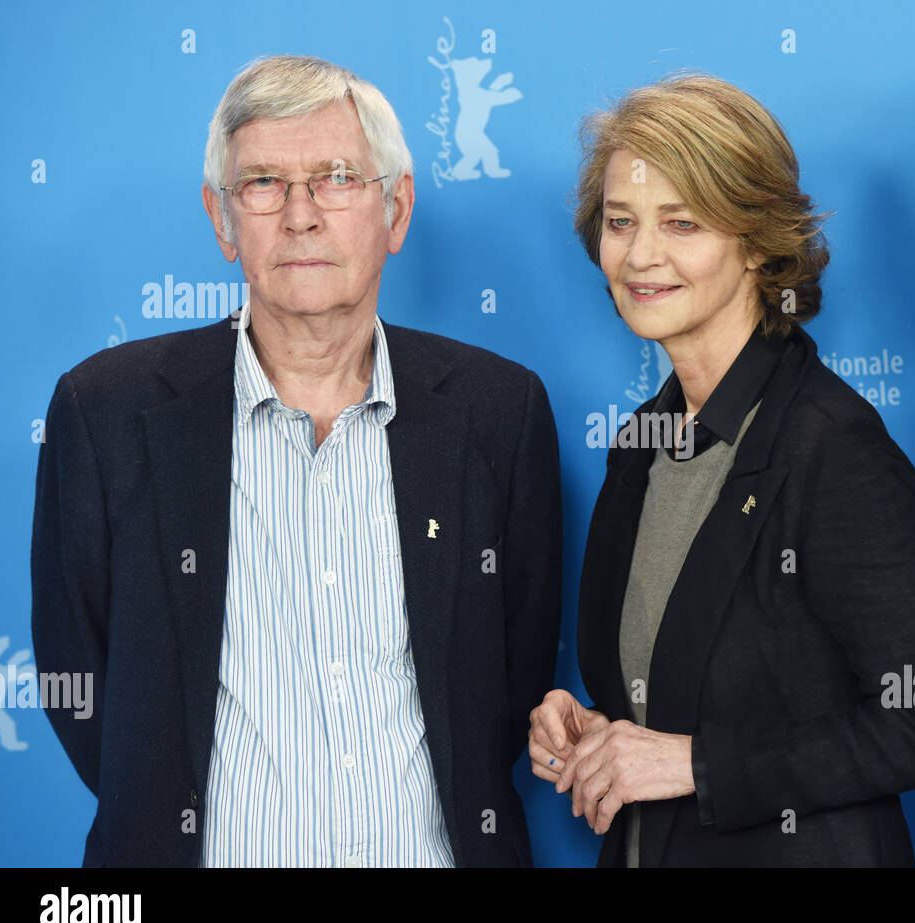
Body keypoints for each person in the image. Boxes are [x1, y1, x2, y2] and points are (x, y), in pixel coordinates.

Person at [30, 55, 561, 867]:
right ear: (221, 219)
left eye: (338, 177)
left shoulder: (500, 410)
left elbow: (510, 669)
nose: (301, 215)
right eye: (264, 184)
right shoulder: (104, 411)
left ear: (397, 209)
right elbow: (83, 684)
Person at [529, 75, 915, 866]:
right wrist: (601, 731)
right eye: (620, 221)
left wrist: (694, 763)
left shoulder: (829, 444)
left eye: (682, 222)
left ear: (759, 241)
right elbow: (682, 698)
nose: (640, 254)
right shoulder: (641, 444)